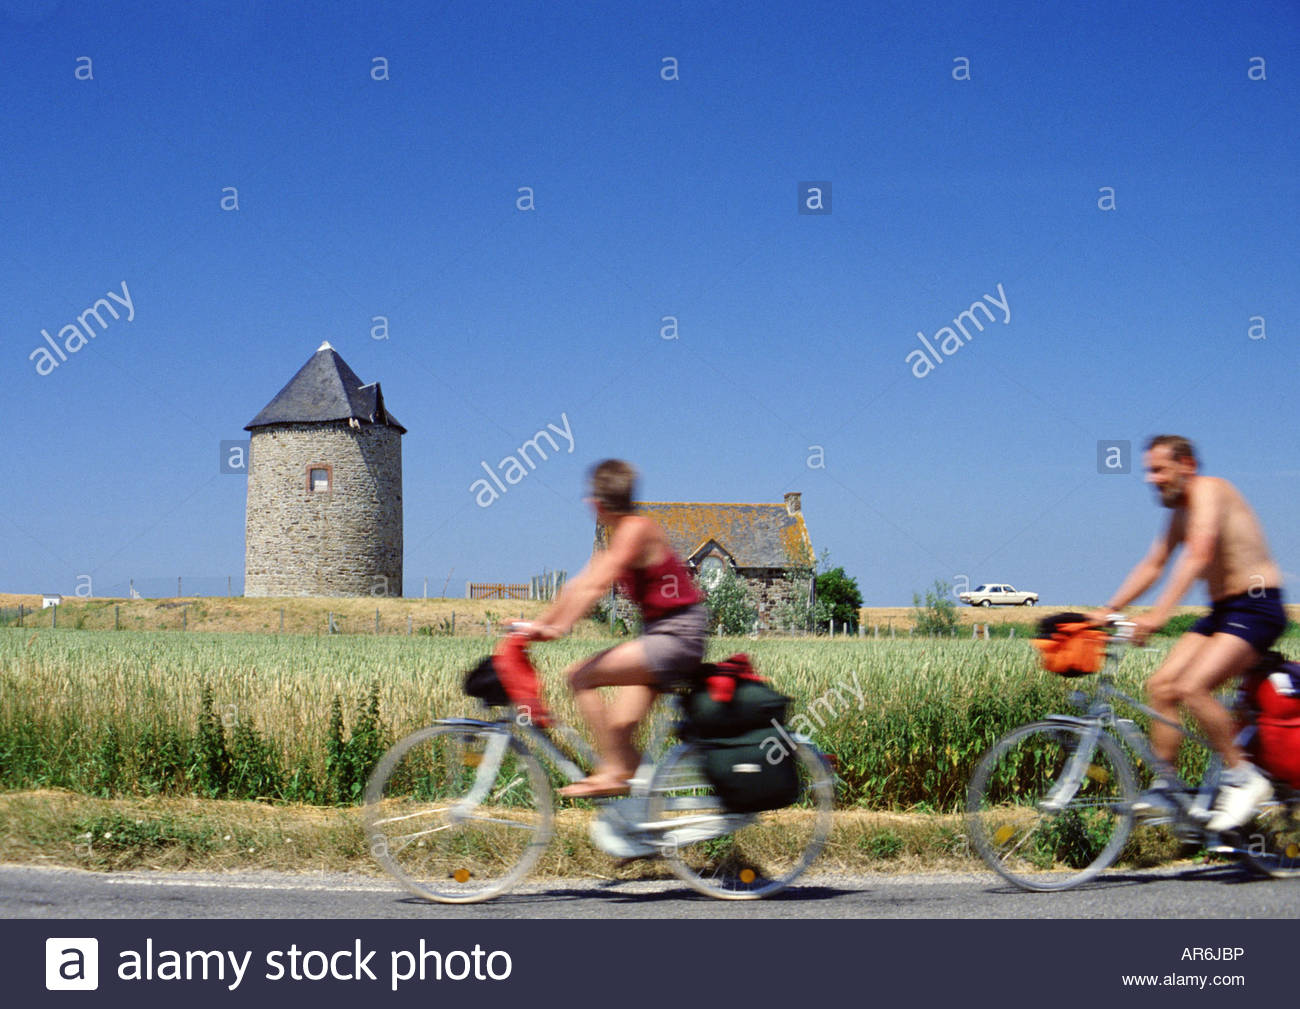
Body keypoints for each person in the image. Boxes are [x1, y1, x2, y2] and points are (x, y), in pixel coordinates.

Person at [1088, 435, 1287, 831]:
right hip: (1223, 612)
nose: (1150, 478)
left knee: (1193, 687)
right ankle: (1168, 788)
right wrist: (1108, 610)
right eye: (1148, 469)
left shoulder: (1211, 492)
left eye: (1159, 469)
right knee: (1162, 686)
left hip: (1257, 606)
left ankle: (1244, 777)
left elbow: (1199, 553)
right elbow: (1154, 564)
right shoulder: (1178, 513)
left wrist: (1159, 616)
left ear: (1187, 466)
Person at [524, 459, 709, 798]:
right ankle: (651, 821)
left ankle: (611, 773)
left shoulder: (635, 532)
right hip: (662, 638)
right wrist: (539, 624)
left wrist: (558, 628)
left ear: (594, 504)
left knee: (580, 676)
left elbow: (598, 585)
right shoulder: (621, 536)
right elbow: (579, 585)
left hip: (676, 637)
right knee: (619, 736)